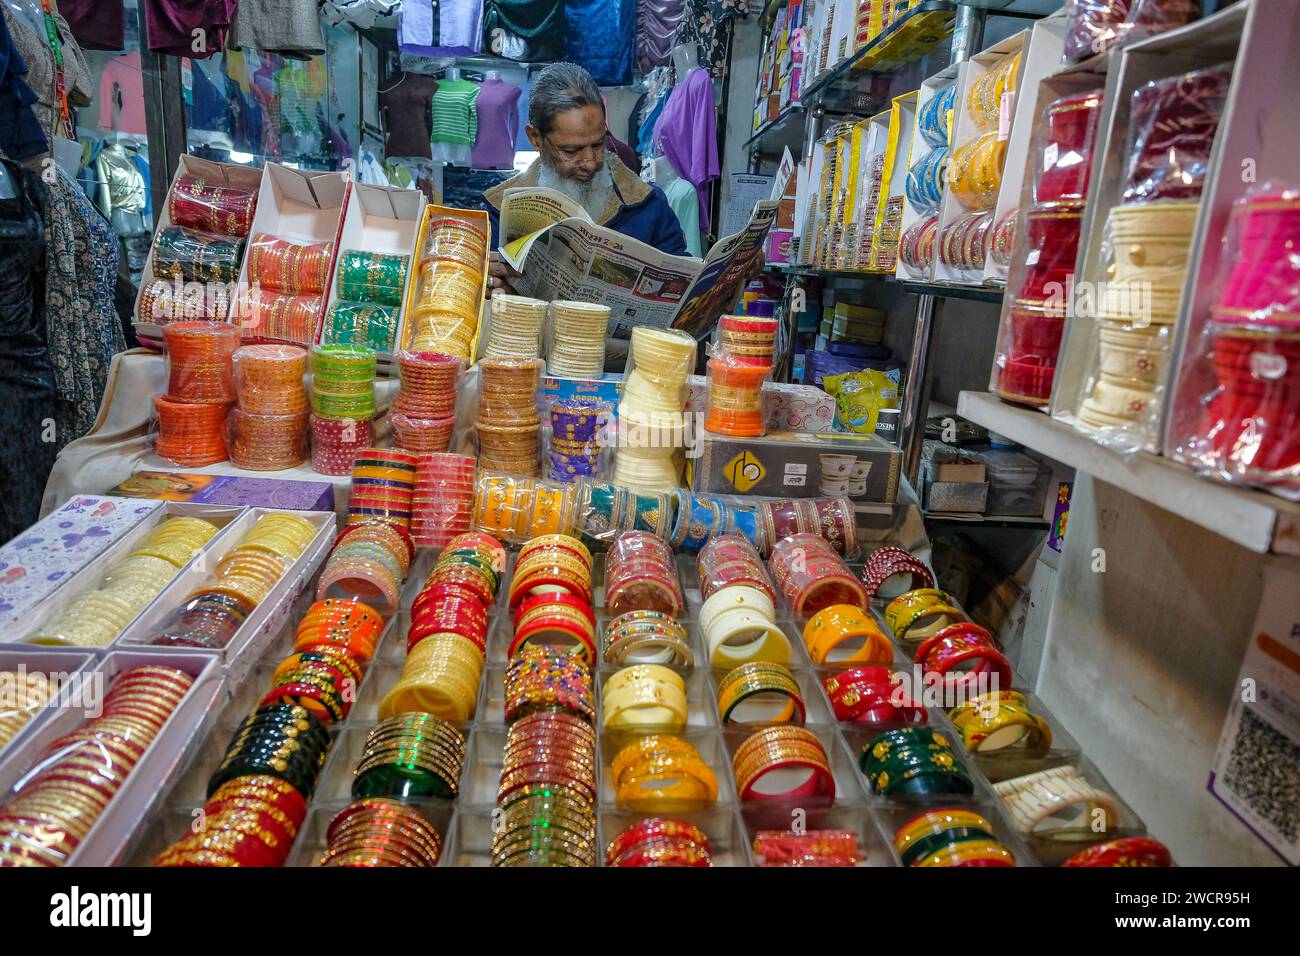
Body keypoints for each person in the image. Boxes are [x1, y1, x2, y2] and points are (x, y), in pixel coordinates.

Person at [484, 62, 688, 295]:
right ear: (535, 138)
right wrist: (489, 287)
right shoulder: (498, 212)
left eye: (599, 144)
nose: (590, 162)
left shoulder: (648, 205)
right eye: (572, 151)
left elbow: (680, 284)